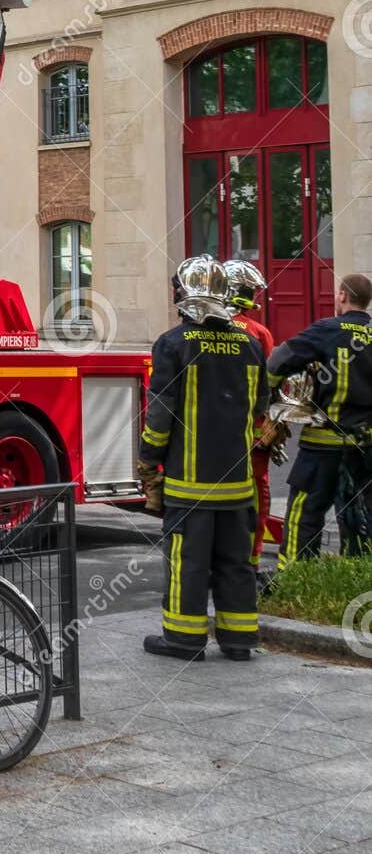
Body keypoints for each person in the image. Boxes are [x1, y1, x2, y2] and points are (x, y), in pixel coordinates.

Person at [137, 256, 265, 662]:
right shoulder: (249, 344)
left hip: (190, 484)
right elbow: (259, 407)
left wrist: (148, 458)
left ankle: (183, 639)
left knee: (189, 561)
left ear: (182, 294)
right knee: (236, 562)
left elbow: (160, 413)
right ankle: (239, 640)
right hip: (238, 482)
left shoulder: (173, 344)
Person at [268, 272, 372, 565]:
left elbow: (277, 362)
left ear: (341, 296)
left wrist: (269, 397)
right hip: (366, 449)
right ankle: (358, 576)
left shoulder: (327, 330)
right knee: (360, 517)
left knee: (305, 515)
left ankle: (295, 576)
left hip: (323, 446)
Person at [223, 260, 276, 579]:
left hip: (214, 435)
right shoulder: (260, 334)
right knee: (256, 497)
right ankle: (251, 563)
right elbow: (267, 387)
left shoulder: (199, 328)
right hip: (252, 434)